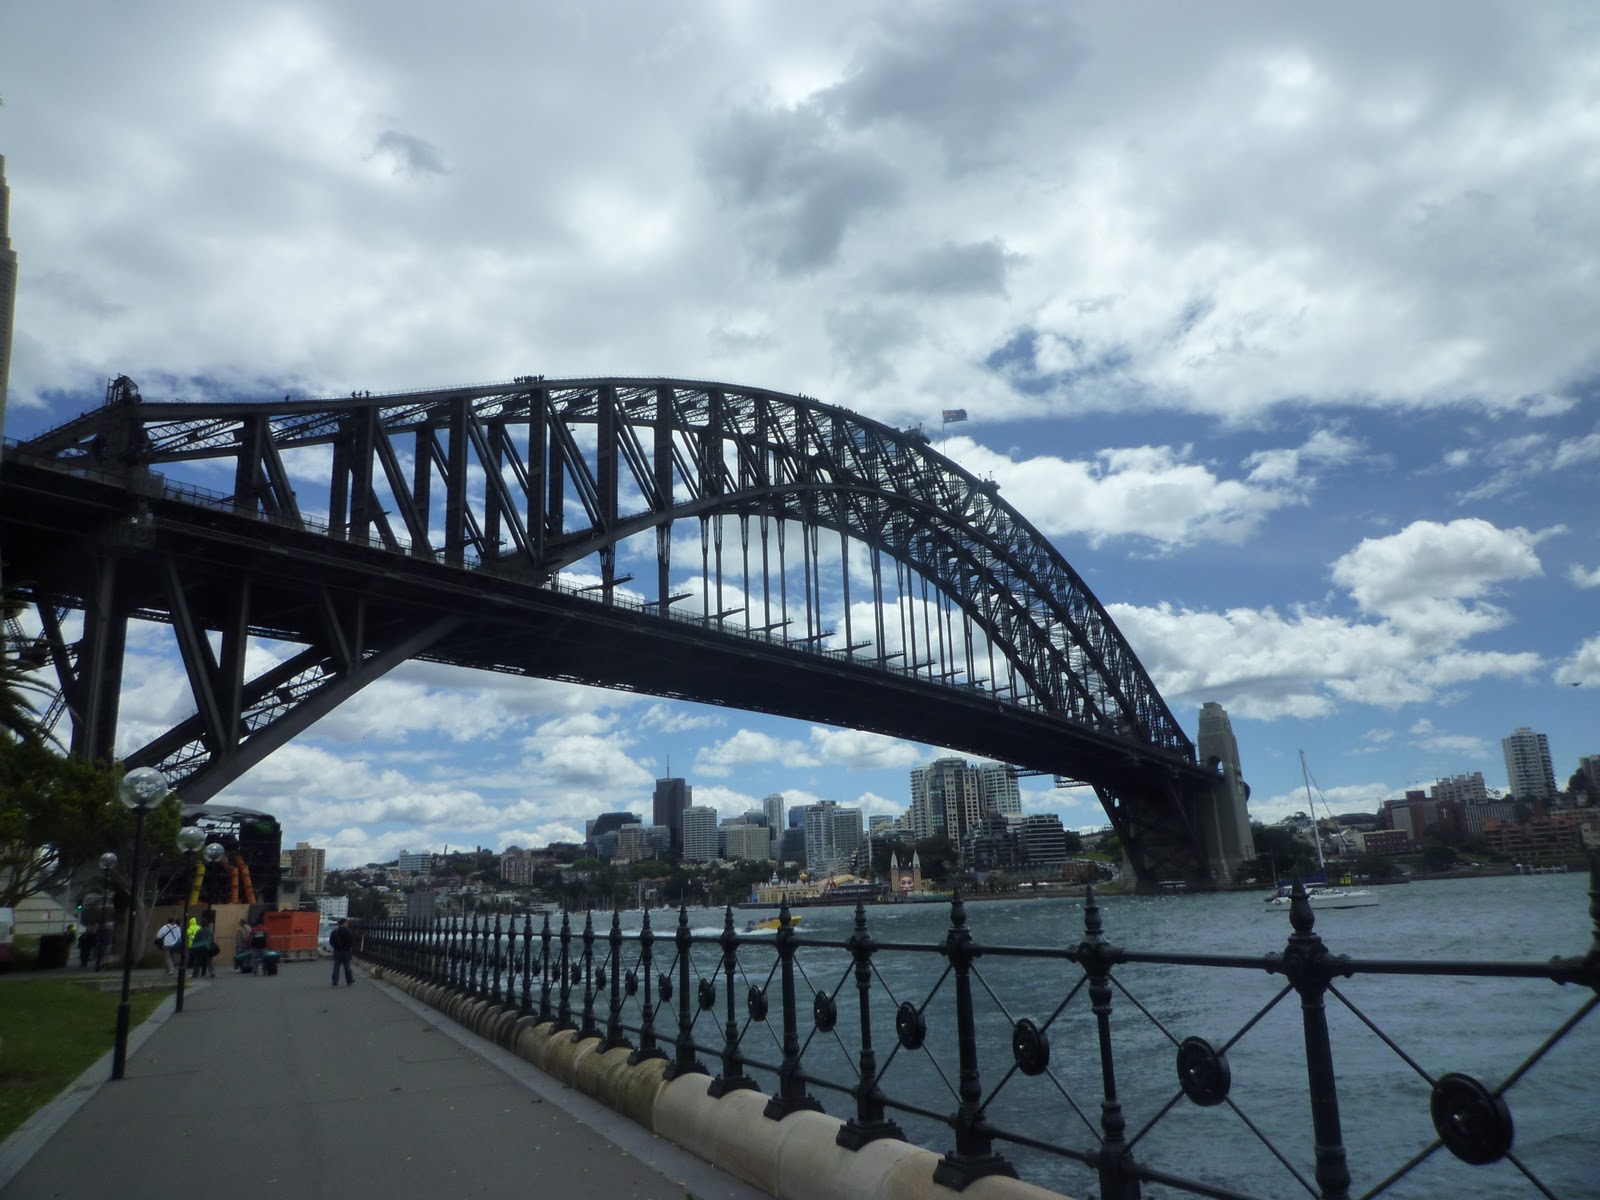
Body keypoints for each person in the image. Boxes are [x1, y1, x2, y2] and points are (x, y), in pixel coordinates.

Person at [329, 918, 355, 987]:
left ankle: (335, 982)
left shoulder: (335, 932)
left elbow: (331, 942)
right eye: (346, 923)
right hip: (346, 952)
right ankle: (349, 980)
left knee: (336, 967)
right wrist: (348, 948)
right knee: (347, 966)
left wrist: (336, 947)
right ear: (344, 923)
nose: (347, 924)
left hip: (337, 951)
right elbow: (351, 941)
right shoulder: (348, 932)